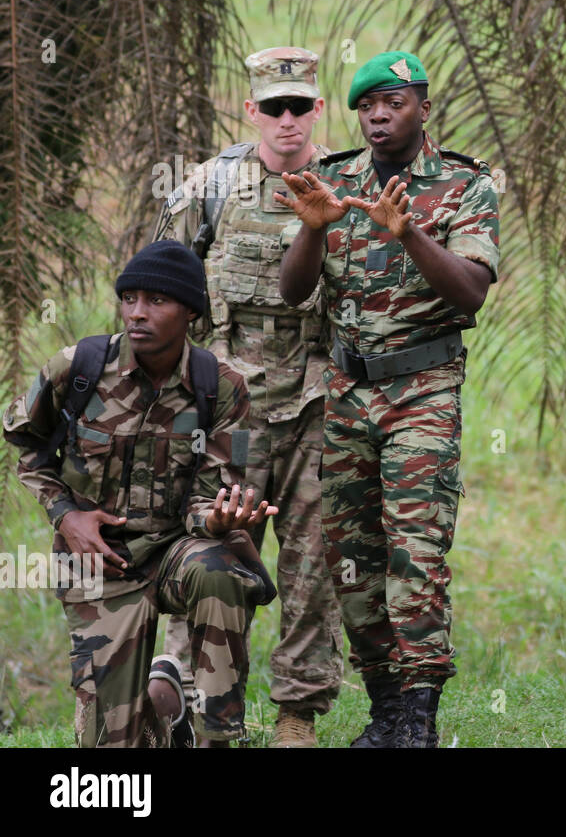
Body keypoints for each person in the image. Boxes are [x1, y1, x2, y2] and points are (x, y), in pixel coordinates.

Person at [276, 50, 500, 748]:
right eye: (367, 106)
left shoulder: (464, 184)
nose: (378, 116)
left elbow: (470, 292)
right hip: (348, 393)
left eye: (393, 103)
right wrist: (314, 227)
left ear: (423, 108)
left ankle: (421, 715)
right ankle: (385, 708)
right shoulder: (335, 179)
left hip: (423, 390)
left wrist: (411, 234)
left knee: (416, 550)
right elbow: (293, 292)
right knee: (354, 555)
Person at [2, 241, 276, 747]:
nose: (137, 313)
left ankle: (219, 737)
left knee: (220, 571)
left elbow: (212, 491)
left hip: (177, 549)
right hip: (100, 561)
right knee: (111, 749)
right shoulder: (78, 367)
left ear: (191, 311)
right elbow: (25, 441)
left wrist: (215, 522)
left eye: (156, 300)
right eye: (129, 298)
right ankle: (168, 714)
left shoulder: (219, 386)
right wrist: (65, 515)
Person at [154, 46, 343, 748]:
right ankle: (198, 702)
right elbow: (161, 288)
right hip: (228, 408)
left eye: (301, 106)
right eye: (274, 108)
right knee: (220, 550)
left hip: (317, 400)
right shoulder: (209, 186)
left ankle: (298, 712)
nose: (288, 120)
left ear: (318, 109)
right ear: (252, 110)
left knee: (313, 562)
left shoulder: (342, 183)